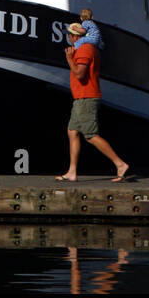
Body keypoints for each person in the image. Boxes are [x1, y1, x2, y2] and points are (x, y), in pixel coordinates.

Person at [56, 22, 129, 182]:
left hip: (86, 97)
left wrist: (69, 59)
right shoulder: (86, 48)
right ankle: (72, 171)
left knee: (90, 135)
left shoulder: (85, 49)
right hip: (80, 97)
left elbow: (80, 74)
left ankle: (120, 164)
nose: (68, 38)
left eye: (69, 35)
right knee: (72, 132)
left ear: (75, 36)